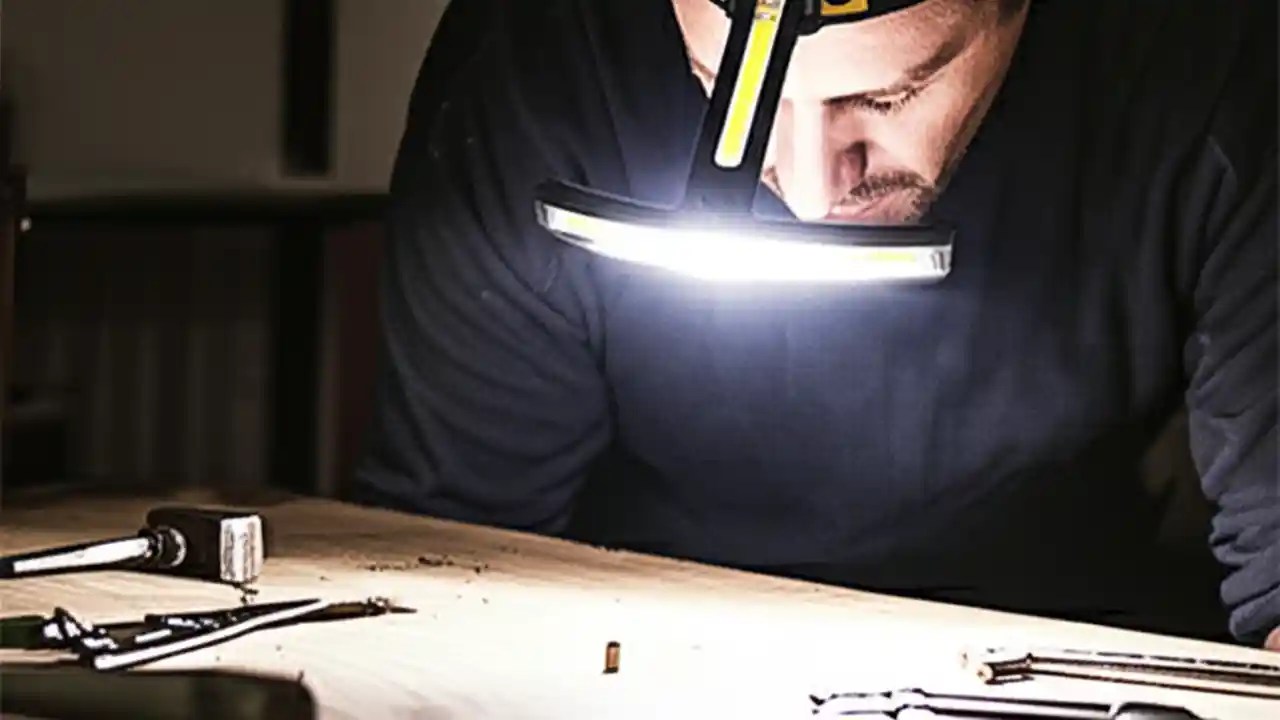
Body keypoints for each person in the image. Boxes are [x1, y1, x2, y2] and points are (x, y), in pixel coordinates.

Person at [354, 0, 1278, 648]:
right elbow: (458, 555)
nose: (808, 185)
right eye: (712, 79)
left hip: (1064, 640)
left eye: (884, 99)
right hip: (631, 644)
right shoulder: (539, 62)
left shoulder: (1212, 59)